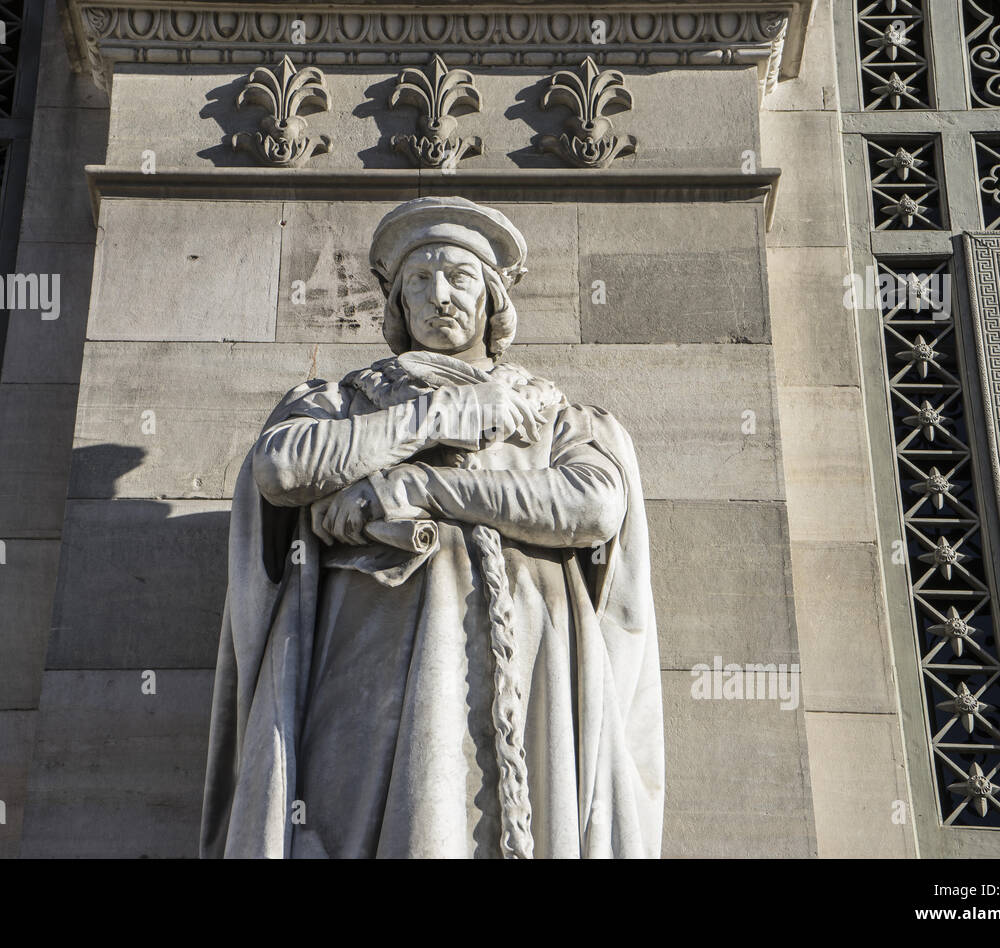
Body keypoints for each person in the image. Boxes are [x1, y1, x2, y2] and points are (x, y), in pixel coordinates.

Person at [201, 196, 663, 858]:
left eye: (460, 277)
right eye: (420, 279)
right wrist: (443, 415)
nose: (439, 293)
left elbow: (594, 503)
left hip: (526, 671)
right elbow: (281, 466)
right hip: (364, 674)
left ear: (493, 299)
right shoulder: (345, 402)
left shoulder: (550, 414)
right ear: (397, 304)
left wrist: (418, 486)